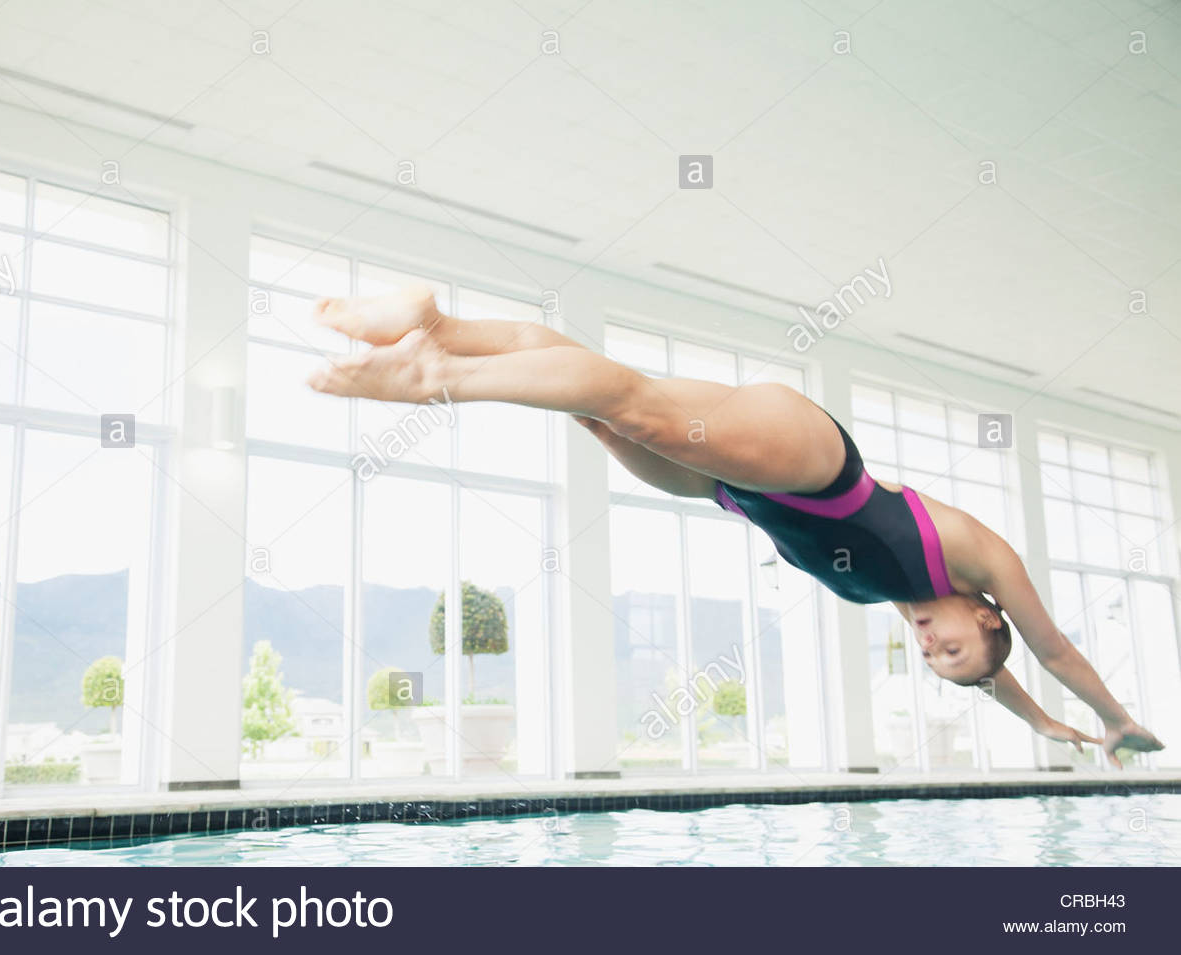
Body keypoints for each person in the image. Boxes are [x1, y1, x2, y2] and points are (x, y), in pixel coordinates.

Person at [307, 286, 1164, 767]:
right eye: (951, 645)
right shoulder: (976, 558)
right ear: (986, 614)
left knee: (603, 410)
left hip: (730, 487)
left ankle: (437, 327)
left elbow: (995, 677)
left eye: (933, 659)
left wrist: (1044, 726)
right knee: (630, 405)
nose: (930, 645)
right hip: (811, 463)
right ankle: (438, 374)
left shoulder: (910, 604)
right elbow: (1044, 651)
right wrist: (1112, 714)